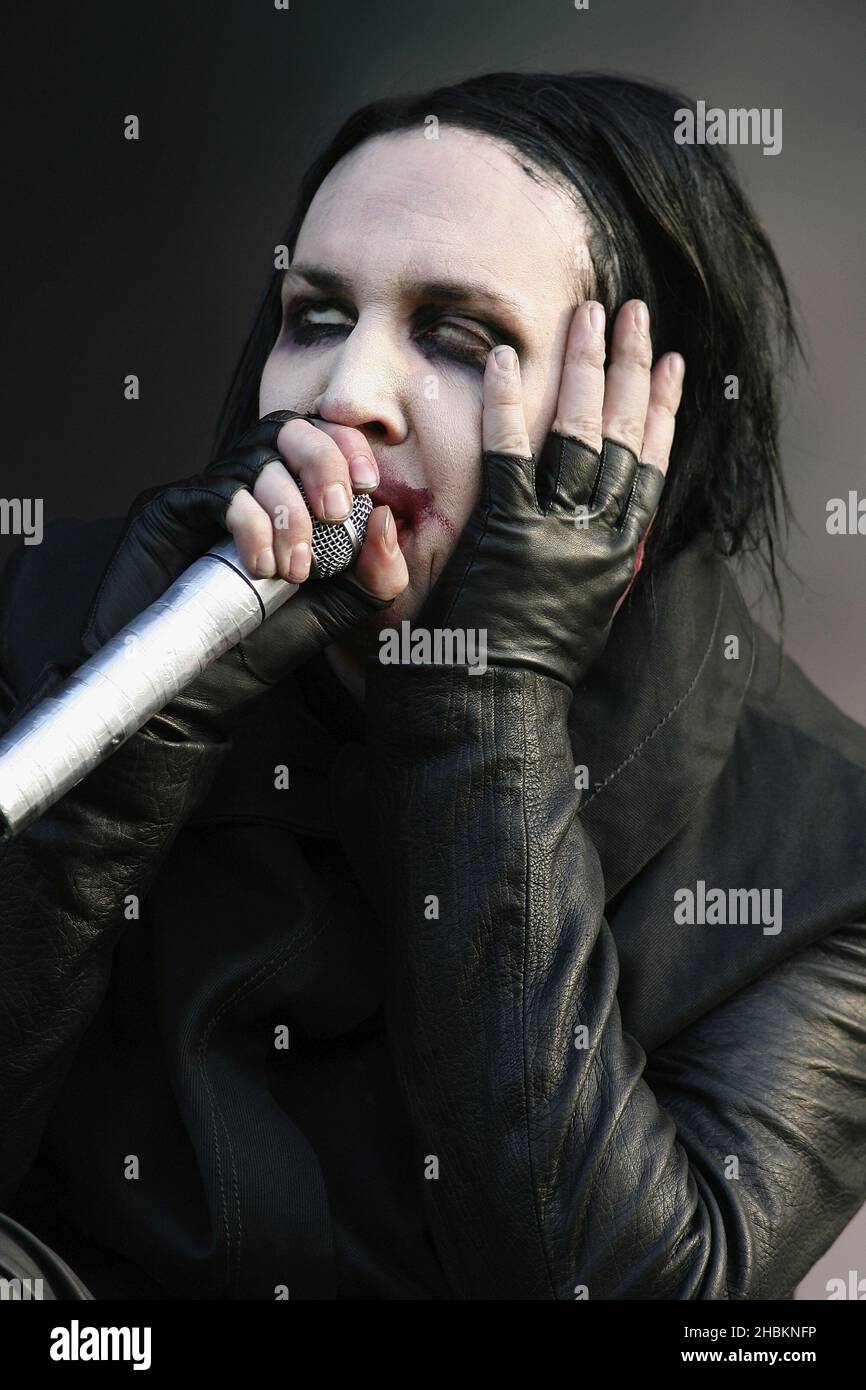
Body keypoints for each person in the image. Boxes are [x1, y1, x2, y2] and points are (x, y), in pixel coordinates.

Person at [0, 70, 864, 1301]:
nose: (346, 395)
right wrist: (134, 732)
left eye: (459, 339)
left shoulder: (828, 868)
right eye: (314, 317)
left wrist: (485, 705)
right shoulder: (52, 613)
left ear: (632, 433)